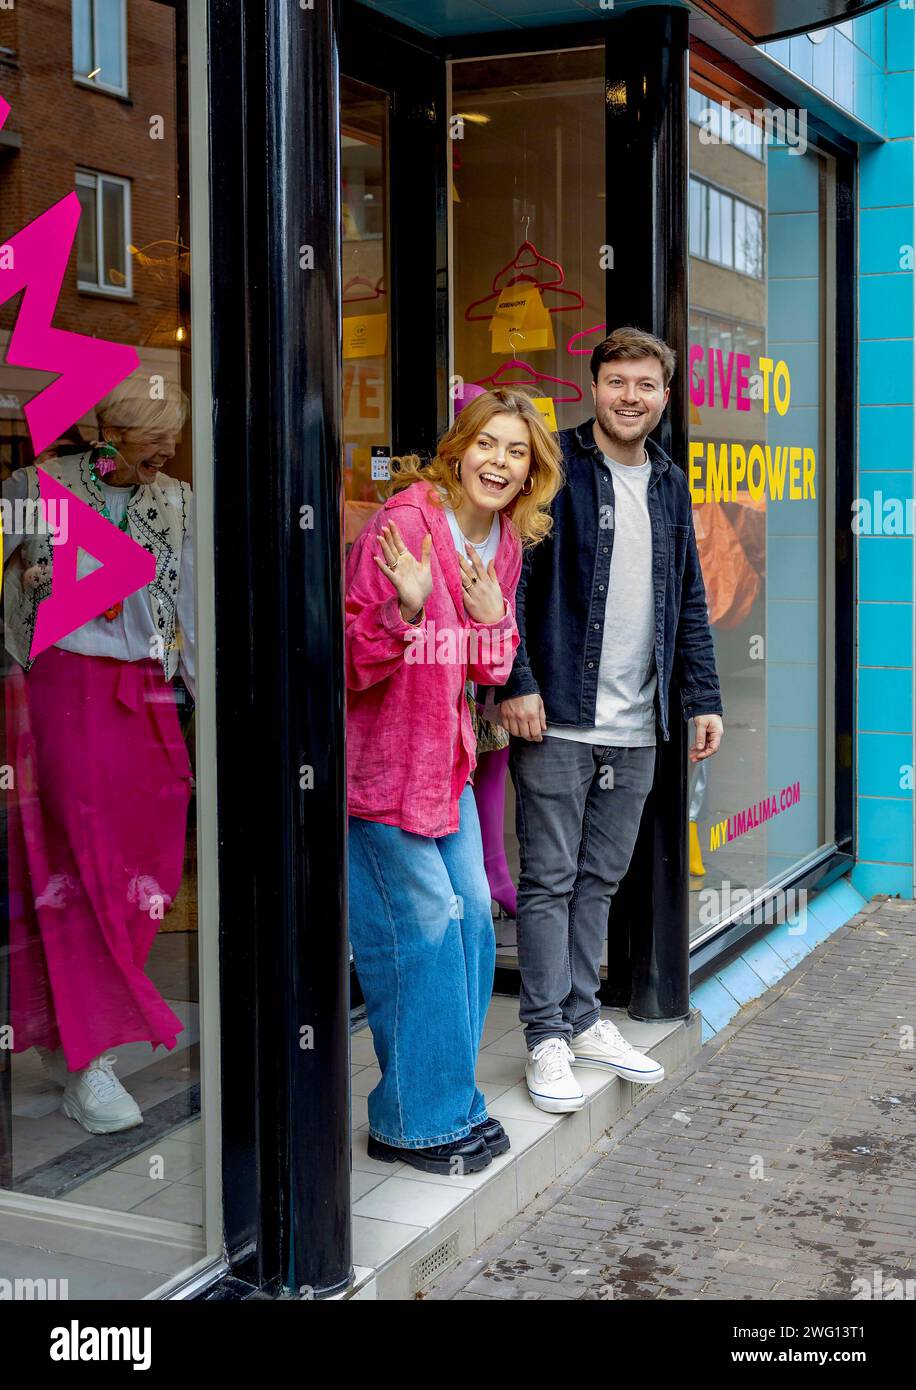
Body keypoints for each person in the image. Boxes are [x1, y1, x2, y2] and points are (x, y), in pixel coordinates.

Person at [496, 327, 724, 1113]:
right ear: (593, 386)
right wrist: (516, 682)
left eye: (646, 386)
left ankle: (586, 1019)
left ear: (665, 397)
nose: (631, 397)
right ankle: (545, 1039)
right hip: (557, 715)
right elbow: (512, 581)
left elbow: (688, 599)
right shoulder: (552, 466)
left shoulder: (667, 480)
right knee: (548, 879)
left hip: (638, 724)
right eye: (617, 382)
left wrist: (702, 698)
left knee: (601, 880)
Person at [345, 387, 563, 1174]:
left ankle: (444, 1100)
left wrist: (495, 611)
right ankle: (413, 1120)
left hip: (448, 766)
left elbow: (489, 667)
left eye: (516, 452)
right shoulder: (406, 524)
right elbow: (350, 663)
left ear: (531, 471)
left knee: (471, 916)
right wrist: (404, 609)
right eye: (487, 444)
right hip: (381, 767)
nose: (499, 463)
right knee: (424, 927)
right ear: (459, 447)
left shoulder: (504, 539)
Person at [3, 375, 194, 1134]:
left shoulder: (175, 501)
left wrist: (209, 702)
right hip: (61, 693)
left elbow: (193, 607)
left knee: (145, 868)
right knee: (75, 868)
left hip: (147, 694)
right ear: (106, 436)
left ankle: (72, 1033)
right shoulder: (32, 487)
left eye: (168, 453)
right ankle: (92, 1058)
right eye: (151, 453)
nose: (162, 467)